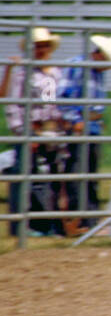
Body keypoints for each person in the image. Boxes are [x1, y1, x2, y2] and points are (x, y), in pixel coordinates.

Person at [58, 34, 111, 233]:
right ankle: (78, 221)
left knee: (89, 175)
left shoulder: (96, 72)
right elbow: (61, 97)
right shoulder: (77, 66)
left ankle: (89, 221)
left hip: (91, 127)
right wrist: (76, 120)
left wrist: (97, 119)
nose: (109, 69)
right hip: (79, 128)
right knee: (77, 174)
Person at [1, 27, 66, 236]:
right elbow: (13, 104)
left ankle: (43, 224)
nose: (41, 50)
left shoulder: (52, 74)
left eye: (44, 45)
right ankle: (18, 226)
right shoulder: (23, 73)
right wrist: (24, 132)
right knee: (23, 177)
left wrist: (56, 125)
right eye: (37, 46)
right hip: (29, 131)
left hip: (49, 132)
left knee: (47, 178)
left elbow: (49, 103)